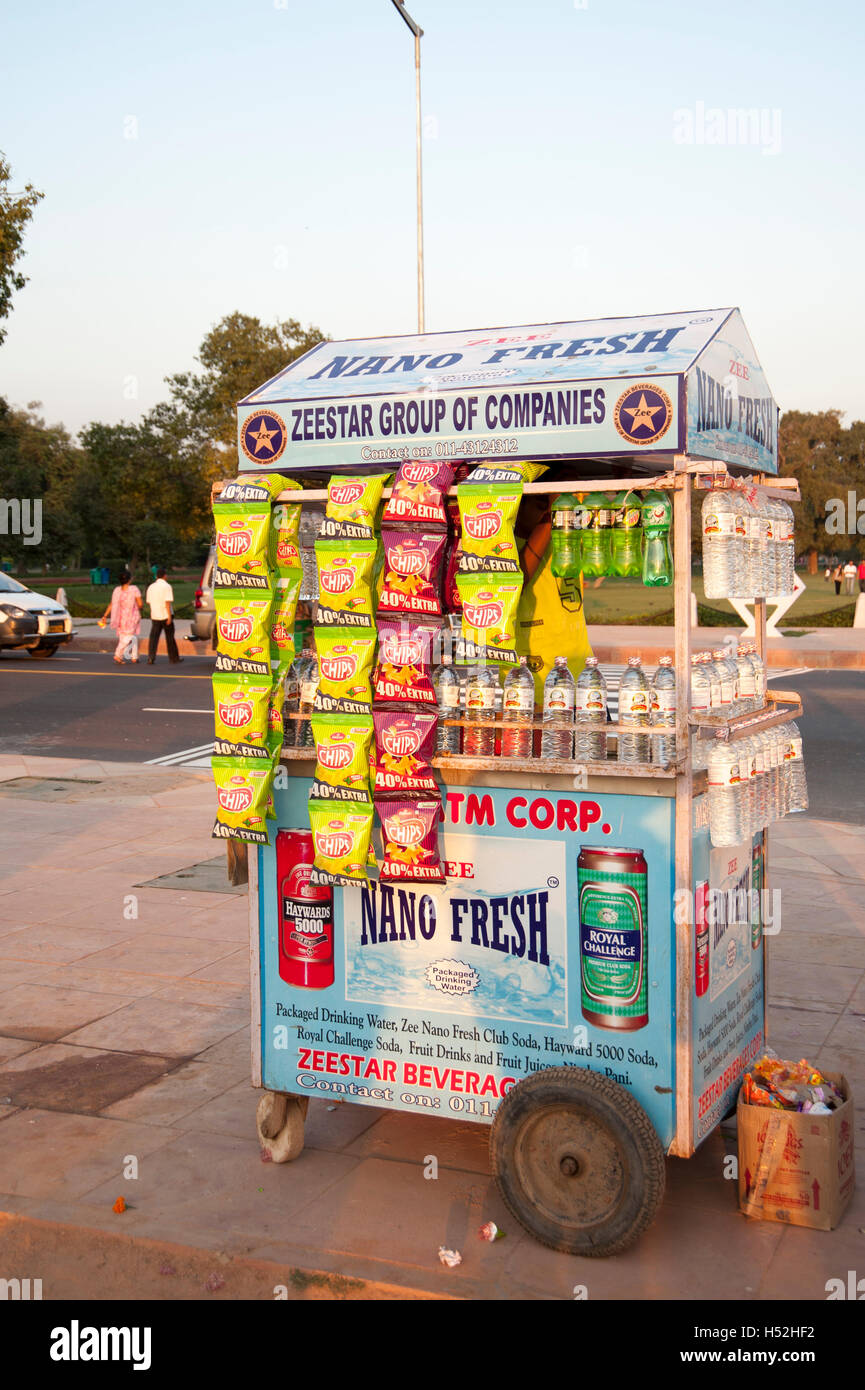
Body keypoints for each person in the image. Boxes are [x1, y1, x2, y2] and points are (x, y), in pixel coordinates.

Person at [514, 495, 593, 706]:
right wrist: (551, 515)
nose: (547, 511)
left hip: (583, 676)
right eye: (540, 505)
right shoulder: (508, 547)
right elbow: (516, 581)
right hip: (536, 682)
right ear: (518, 506)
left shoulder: (565, 539)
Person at [99, 569, 143, 664]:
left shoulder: (117, 590)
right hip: (132, 616)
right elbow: (140, 604)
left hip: (120, 617)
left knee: (128, 637)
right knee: (128, 637)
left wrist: (105, 615)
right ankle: (118, 654)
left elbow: (112, 604)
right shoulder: (134, 589)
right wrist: (138, 608)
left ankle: (134, 656)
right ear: (129, 579)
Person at [145, 566, 183, 664]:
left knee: (154, 637)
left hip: (155, 615)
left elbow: (148, 602)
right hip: (165, 615)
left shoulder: (151, 587)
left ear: (156, 576)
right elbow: (167, 603)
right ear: (165, 576)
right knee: (170, 637)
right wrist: (169, 616)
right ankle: (173, 658)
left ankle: (151, 657)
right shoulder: (167, 586)